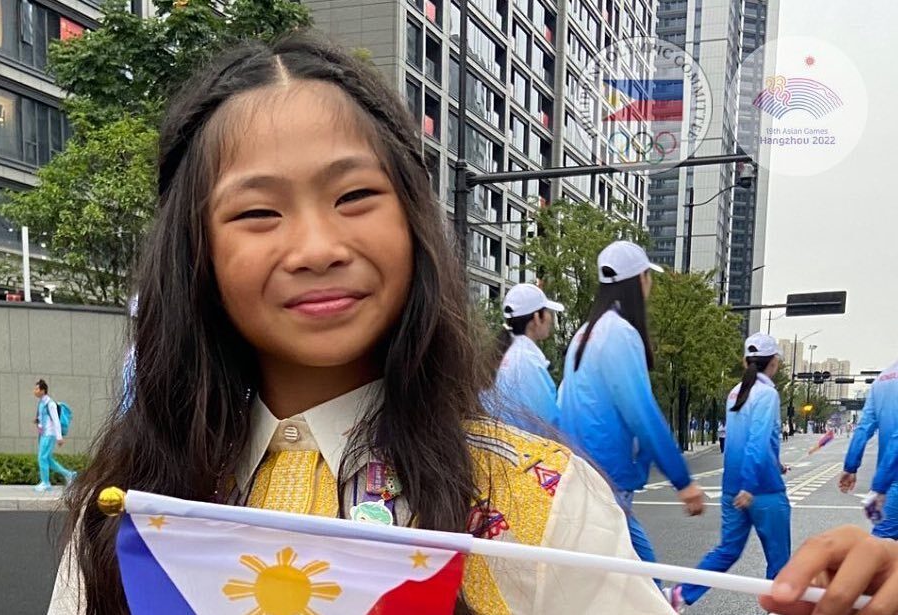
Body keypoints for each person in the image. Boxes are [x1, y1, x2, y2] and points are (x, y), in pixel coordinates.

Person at [49, 35, 898, 615]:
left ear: (415, 223)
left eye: (355, 197)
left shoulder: (538, 502)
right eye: (258, 213)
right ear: (193, 252)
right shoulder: (135, 509)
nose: (315, 246)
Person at [557, 240, 704, 565]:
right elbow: (642, 414)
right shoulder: (620, 334)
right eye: (648, 277)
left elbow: (565, 403)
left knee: (630, 574)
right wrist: (683, 480)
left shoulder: (584, 334)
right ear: (639, 281)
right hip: (610, 479)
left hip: (586, 475)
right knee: (638, 579)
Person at [676, 333, 791, 607]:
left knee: (727, 550)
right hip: (762, 490)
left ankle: (680, 595)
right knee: (780, 562)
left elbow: (744, 441)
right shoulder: (767, 394)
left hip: (732, 489)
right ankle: (778, 610)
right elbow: (757, 441)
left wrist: (776, 463)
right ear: (774, 362)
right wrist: (751, 485)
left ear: (745, 360)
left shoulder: (734, 393)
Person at [482, 283, 565, 431]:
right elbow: (548, 425)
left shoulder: (505, 352)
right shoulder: (527, 361)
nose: (551, 318)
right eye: (547, 312)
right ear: (536, 317)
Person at [840, 358, 898, 538]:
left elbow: (864, 427)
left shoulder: (882, 379)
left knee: (879, 549)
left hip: (891, 483)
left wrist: (850, 467)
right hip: (889, 479)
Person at [34, 379, 75, 492]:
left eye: (37, 389)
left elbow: (56, 421)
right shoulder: (42, 403)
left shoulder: (50, 404)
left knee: (42, 458)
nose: (35, 391)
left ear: (43, 390)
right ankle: (69, 474)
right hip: (44, 434)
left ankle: (46, 483)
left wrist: (59, 437)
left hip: (49, 434)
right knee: (48, 459)